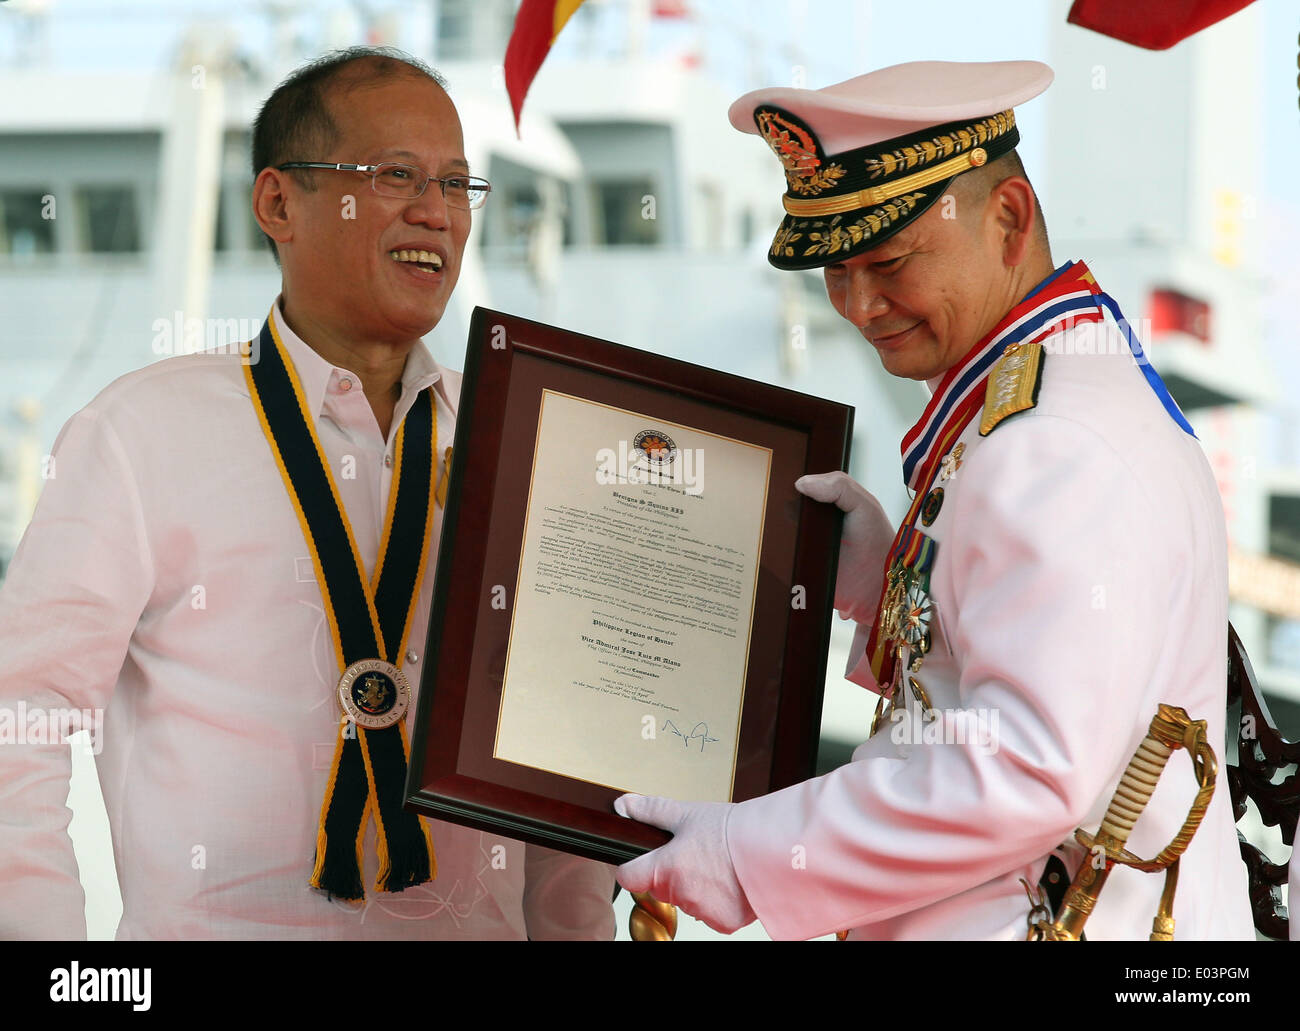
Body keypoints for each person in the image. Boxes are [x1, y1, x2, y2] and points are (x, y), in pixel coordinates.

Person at [615, 59, 1254, 940]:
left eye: (888, 260)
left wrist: (745, 851)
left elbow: (1027, 766)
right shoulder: (1052, 392)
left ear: (1008, 218)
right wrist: (886, 585)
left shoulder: (1050, 441)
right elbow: (1031, 672)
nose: (859, 304)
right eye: (835, 271)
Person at [0, 46, 615, 940]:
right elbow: (23, 715)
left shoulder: (520, 447)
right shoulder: (139, 434)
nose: (435, 213)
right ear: (278, 202)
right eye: (396, 174)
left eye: (457, 184)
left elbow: (555, 760)